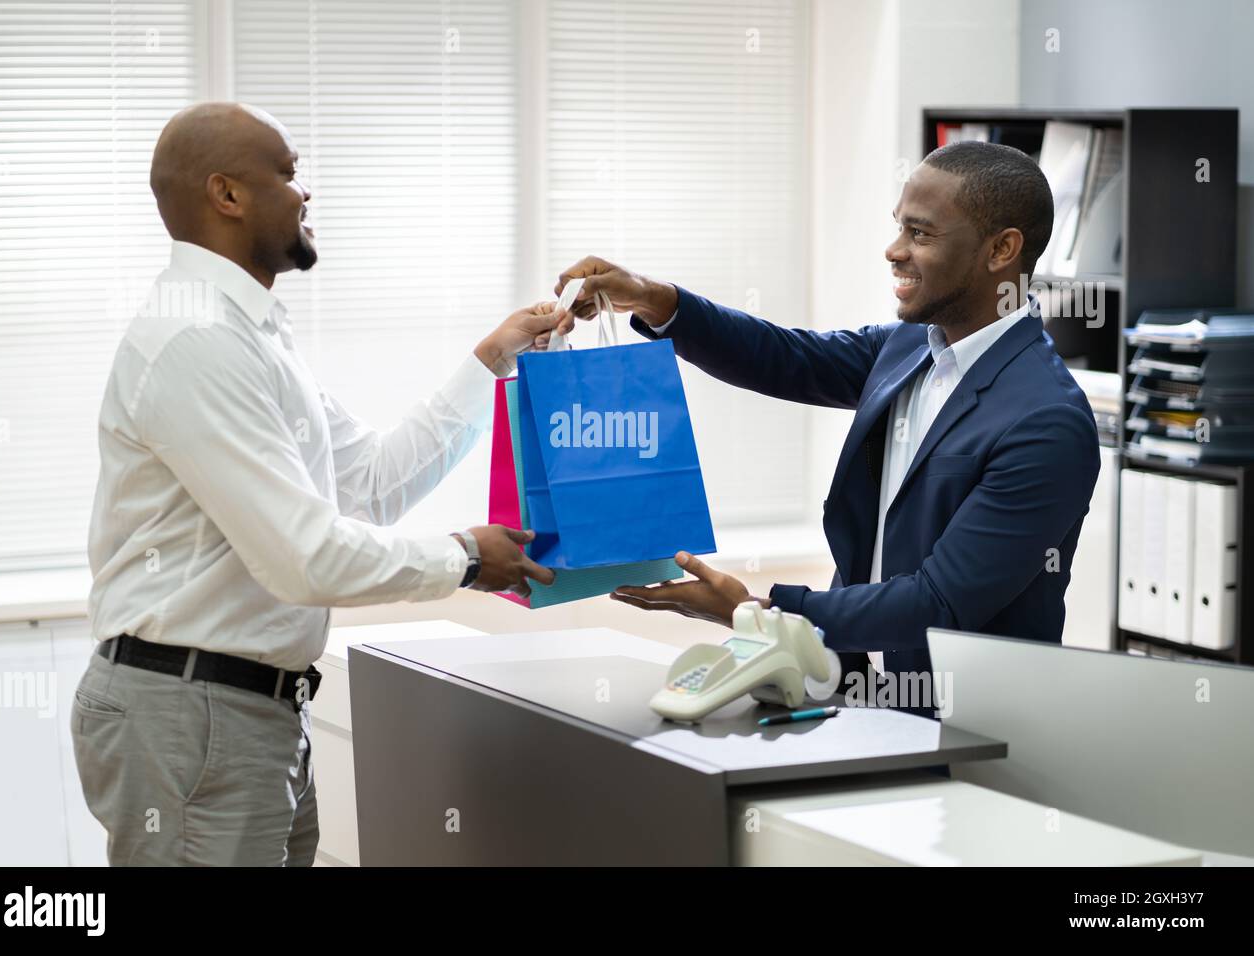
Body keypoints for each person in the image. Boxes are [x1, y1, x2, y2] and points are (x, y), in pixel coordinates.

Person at [73, 102, 559, 865]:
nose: (306, 195)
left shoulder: (253, 334)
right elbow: (304, 558)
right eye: (290, 173)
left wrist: (491, 361)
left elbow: (367, 483)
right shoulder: (197, 341)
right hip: (193, 715)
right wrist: (466, 557)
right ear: (227, 195)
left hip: (247, 713)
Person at [555, 141, 1100, 715]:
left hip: (975, 730)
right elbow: (782, 356)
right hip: (863, 702)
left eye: (921, 234)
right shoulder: (910, 347)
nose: (894, 251)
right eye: (899, 228)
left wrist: (755, 608)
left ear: (1001, 250)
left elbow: (937, 603)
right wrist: (651, 297)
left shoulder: (1046, 422)